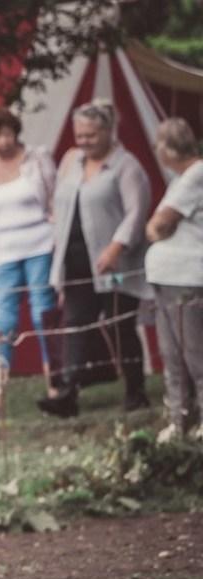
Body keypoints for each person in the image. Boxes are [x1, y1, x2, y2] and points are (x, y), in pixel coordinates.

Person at [40, 99, 152, 418]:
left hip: (114, 263)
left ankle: (135, 390)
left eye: (90, 135)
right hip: (75, 261)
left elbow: (136, 212)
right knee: (75, 324)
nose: (83, 141)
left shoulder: (126, 166)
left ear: (107, 131)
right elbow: (58, 202)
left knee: (119, 325)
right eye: (80, 135)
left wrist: (116, 247)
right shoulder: (71, 161)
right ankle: (67, 393)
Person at [0, 107, 59, 422]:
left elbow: (56, 200)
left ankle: (56, 388)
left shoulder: (38, 158)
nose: (1, 141)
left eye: (6, 134)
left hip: (40, 246)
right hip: (2, 254)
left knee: (44, 314)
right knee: (2, 322)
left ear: (15, 133)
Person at [145, 117, 203, 442]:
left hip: (186, 275)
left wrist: (155, 229)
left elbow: (160, 222)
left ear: (169, 148)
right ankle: (180, 419)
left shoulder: (195, 175)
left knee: (195, 352)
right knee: (171, 354)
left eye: (158, 144)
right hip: (167, 276)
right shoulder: (180, 178)